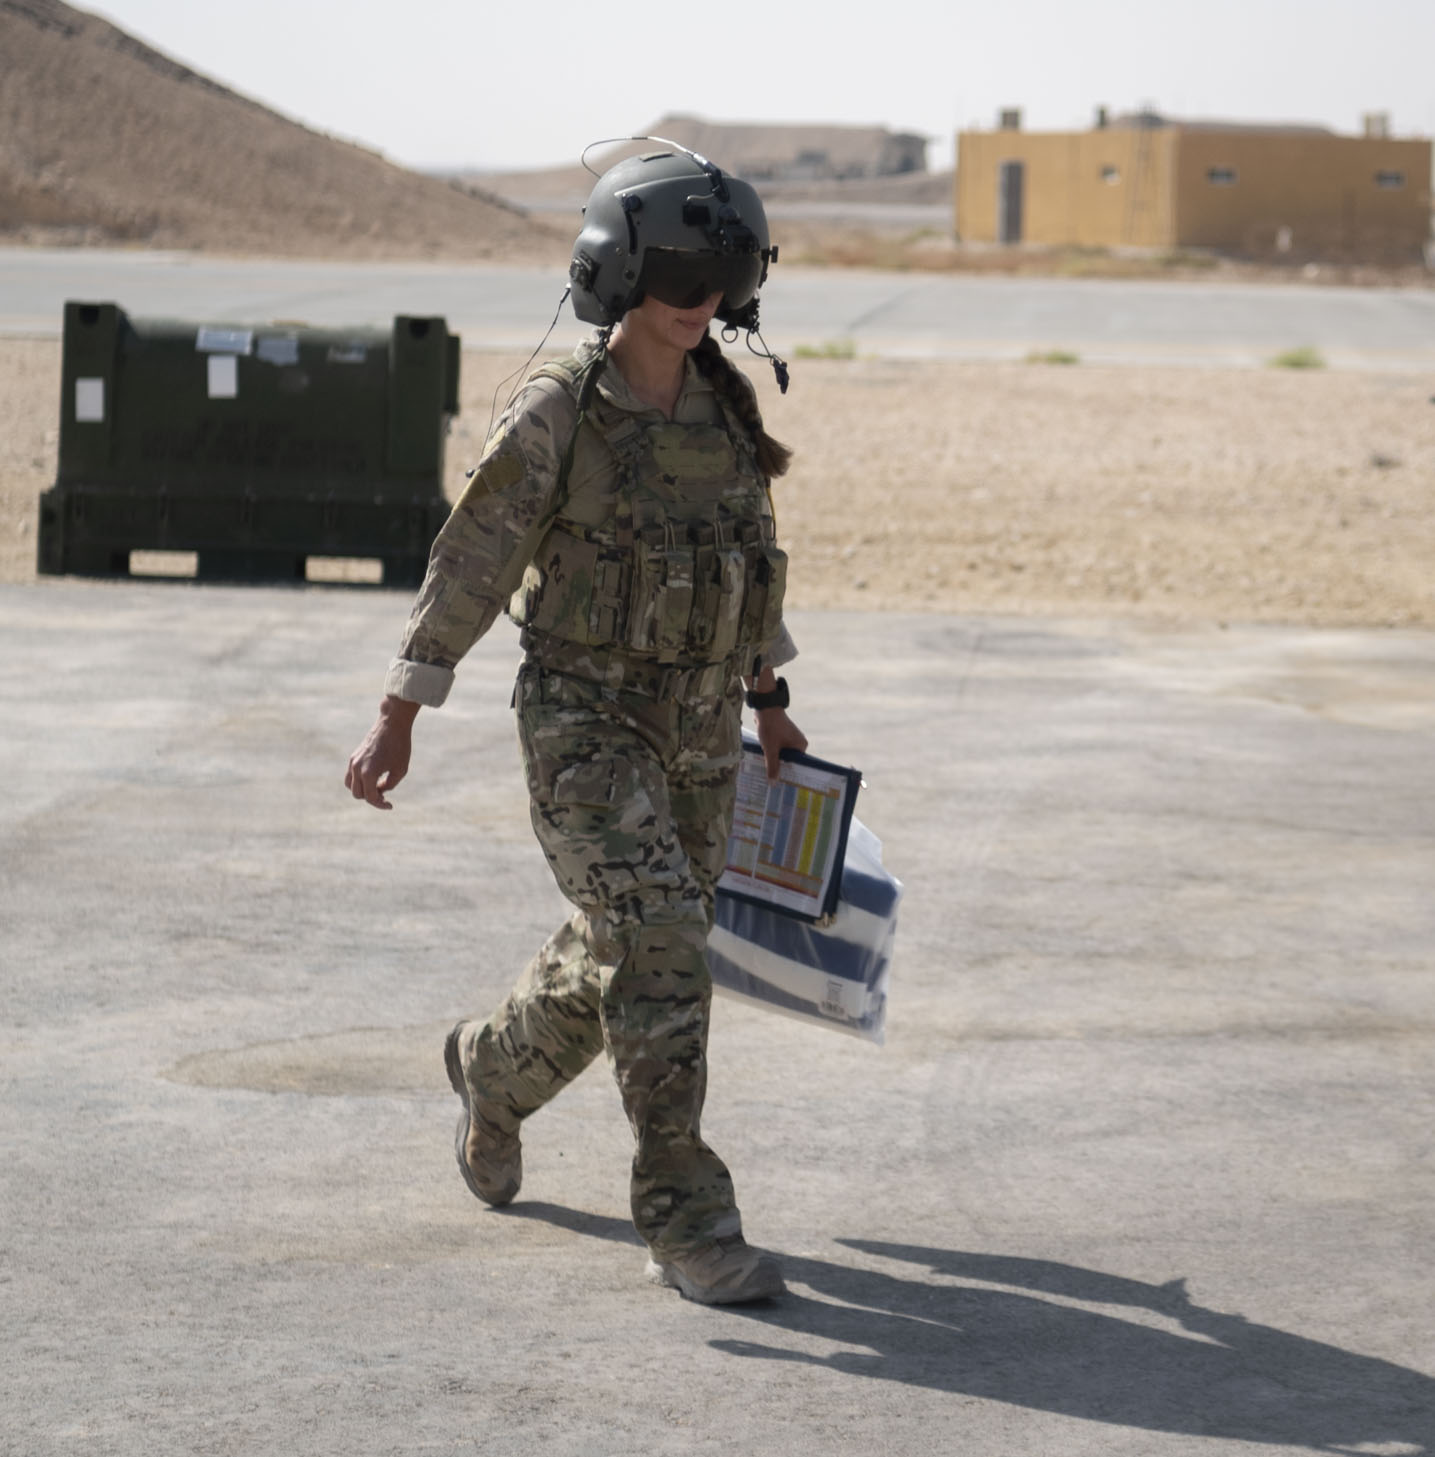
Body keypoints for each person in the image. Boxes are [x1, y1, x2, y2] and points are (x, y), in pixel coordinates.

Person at [344, 146, 808, 1305]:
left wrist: (770, 703)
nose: (699, 292)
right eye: (678, 267)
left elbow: (743, 570)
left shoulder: (726, 407)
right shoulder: (559, 410)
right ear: (620, 271)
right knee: (659, 934)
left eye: (722, 267)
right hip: (584, 723)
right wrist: (402, 709)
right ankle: (686, 1211)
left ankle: (491, 1070)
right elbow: (473, 561)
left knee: (625, 947)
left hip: (699, 731)